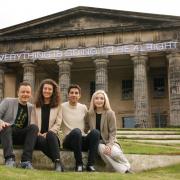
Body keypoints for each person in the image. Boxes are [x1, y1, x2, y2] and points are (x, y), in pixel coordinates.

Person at [88, 90, 131, 173]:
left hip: (110, 141)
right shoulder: (90, 114)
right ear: (93, 100)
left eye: (101, 98)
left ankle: (126, 166)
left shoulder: (110, 113)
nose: (99, 100)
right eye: (96, 98)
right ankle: (125, 170)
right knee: (102, 150)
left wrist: (110, 145)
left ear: (105, 100)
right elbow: (86, 128)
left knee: (115, 153)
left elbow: (113, 131)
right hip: (98, 143)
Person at [61, 84, 100, 172]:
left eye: (76, 93)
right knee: (76, 131)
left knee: (95, 132)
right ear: (68, 95)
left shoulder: (83, 107)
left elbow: (88, 123)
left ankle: (90, 165)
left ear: (79, 95)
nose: (74, 95)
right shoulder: (62, 107)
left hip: (81, 139)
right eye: (71, 93)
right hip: (69, 140)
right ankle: (79, 164)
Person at [0, 81, 39, 169]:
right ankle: (9, 159)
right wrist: (1, 122)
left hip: (20, 136)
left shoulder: (31, 107)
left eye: (28, 92)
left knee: (34, 127)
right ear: (18, 93)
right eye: (23, 92)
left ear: (31, 94)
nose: (25, 94)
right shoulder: (8, 101)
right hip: (5, 135)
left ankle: (25, 161)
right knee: (7, 126)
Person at [31, 79, 63, 172]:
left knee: (50, 134)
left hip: (52, 137)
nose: (47, 91)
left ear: (53, 92)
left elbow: (58, 123)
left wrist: (48, 132)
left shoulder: (58, 106)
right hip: (39, 136)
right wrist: (38, 133)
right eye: (45, 88)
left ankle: (57, 162)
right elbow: (32, 122)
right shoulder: (35, 105)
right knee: (40, 140)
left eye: (50, 89)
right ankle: (58, 163)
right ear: (42, 90)